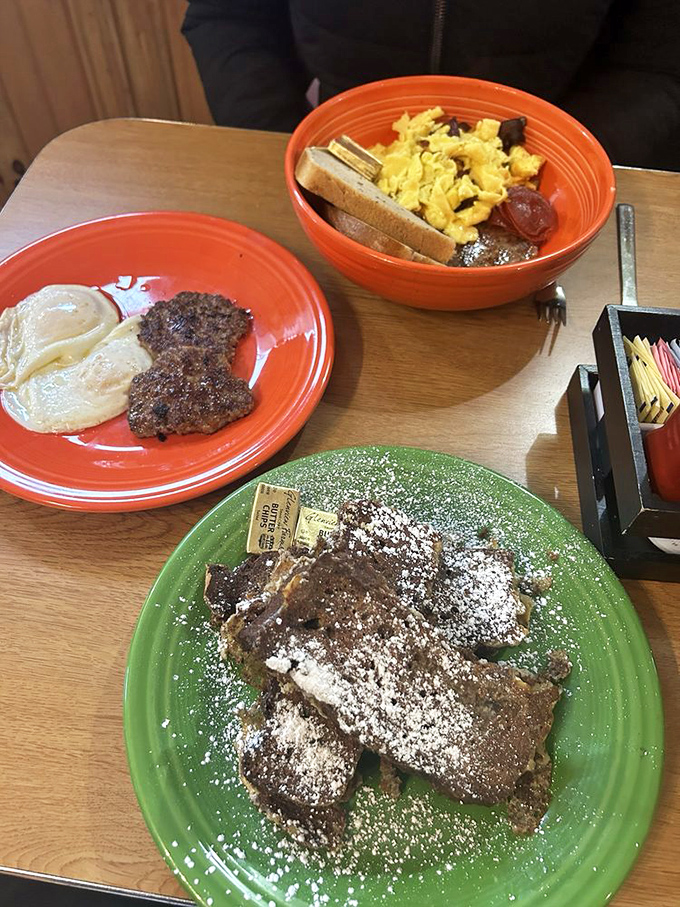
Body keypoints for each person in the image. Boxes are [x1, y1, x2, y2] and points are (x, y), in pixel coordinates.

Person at [182, 0, 680, 171]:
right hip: (331, 144)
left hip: (552, 156)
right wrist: (290, 147)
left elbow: (654, 67)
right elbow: (229, 20)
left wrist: (551, 161)